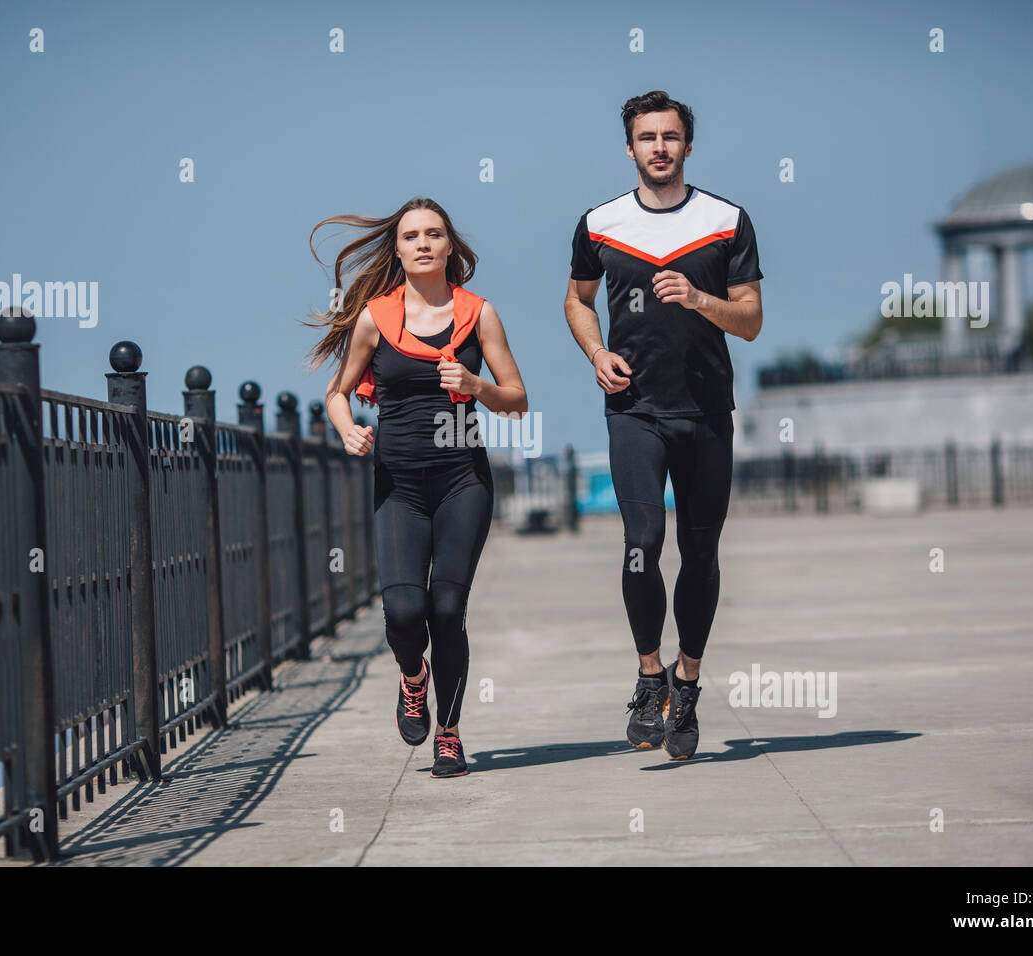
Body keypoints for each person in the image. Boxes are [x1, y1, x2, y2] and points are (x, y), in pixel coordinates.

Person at [563, 91, 764, 760]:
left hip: (706, 410)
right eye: (646, 137)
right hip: (635, 410)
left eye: (670, 137)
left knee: (701, 552)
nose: (658, 147)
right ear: (629, 148)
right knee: (642, 540)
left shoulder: (726, 221)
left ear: (686, 145)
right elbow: (577, 299)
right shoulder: (599, 224)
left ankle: (689, 683)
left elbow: (752, 320)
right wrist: (597, 353)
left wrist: (699, 297)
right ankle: (651, 676)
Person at [308, 197, 528, 778]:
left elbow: (517, 400)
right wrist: (348, 428)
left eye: (434, 234)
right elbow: (337, 391)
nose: (424, 243)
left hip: (462, 481)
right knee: (405, 610)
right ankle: (413, 677)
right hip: (398, 484)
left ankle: (449, 734)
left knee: (448, 608)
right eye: (412, 236)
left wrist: (476, 384)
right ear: (399, 248)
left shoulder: (479, 314)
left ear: (449, 245)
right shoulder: (373, 319)